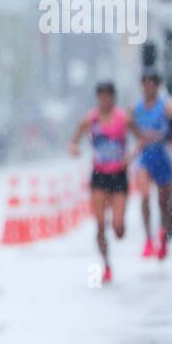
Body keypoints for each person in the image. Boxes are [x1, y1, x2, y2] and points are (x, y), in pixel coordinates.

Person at [69, 82, 136, 283]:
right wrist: (74, 148)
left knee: (117, 226)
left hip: (119, 175)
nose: (104, 101)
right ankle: (106, 264)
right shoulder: (90, 119)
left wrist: (130, 156)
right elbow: (74, 141)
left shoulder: (123, 118)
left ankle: (119, 227)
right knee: (99, 224)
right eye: (101, 97)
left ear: (113, 98)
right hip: (99, 176)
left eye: (108, 97)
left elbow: (140, 139)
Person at [130, 70, 172, 260]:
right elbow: (133, 131)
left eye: (152, 84)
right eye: (146, 83)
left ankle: (163, 235)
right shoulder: (136, 109)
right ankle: (148, 238)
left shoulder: (166, 108)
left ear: (157, 86)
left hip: (162, 157)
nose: (149, 88)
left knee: (164, 203)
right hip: (145, 158)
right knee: (145, 195)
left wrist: (157, 136)